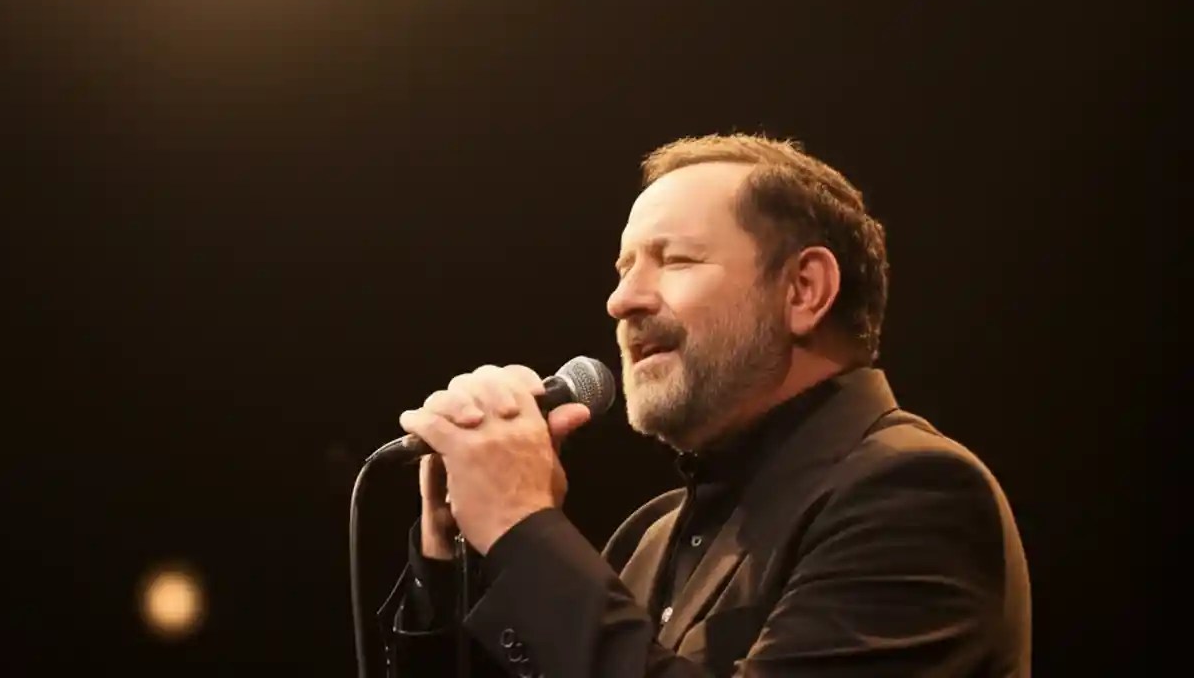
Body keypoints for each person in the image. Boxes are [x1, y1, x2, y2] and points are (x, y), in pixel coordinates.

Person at [375, 133, 1032, 677]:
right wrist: (459, 556)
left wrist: (522, 527)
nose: (622, 300)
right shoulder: (647, 537)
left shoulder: (914, 494)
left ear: (804, 289)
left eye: (676, 260)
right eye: (624, 267)